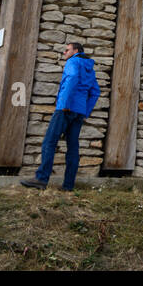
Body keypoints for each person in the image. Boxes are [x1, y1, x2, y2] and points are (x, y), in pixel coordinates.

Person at [21, 41, 100, 192]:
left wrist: (64, 103)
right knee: (72, 148)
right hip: (79, 112)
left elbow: (72, 78)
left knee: (49, 142)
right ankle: (68, 185)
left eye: (66, 50)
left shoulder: (73, 62)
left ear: (75, 50)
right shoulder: (90, 68)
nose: (64, 53)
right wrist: (86, 111)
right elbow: (95, 92)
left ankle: (41, 179)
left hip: (65, 109)